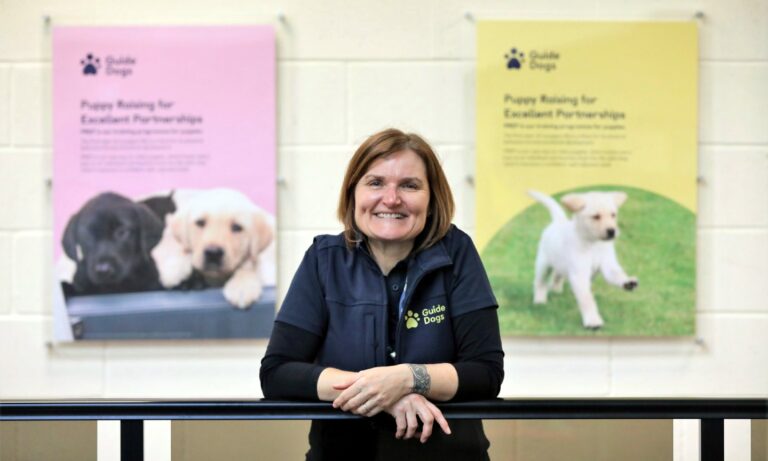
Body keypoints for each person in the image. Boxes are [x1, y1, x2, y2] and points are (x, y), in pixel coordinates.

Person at [260, 128, 504, 460]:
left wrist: (408, 378)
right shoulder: (324, 259)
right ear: (353, 194)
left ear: (432, 200)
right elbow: (277, 373)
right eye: (375, 183)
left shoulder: (457, 253)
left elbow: (486, 373)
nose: (391, 199)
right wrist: (385, 392)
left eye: (410, 185)